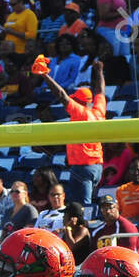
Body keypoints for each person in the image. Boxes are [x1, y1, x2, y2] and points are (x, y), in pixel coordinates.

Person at [43, 59, 106, 208]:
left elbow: (61, 95)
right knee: (85, 204)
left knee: (82, 208)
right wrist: (99, 71)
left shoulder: (81, 113)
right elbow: (100, 91)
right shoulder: (98, 111)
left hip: (83, 167)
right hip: (97, 167)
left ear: (80, 102)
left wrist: (45, 75)